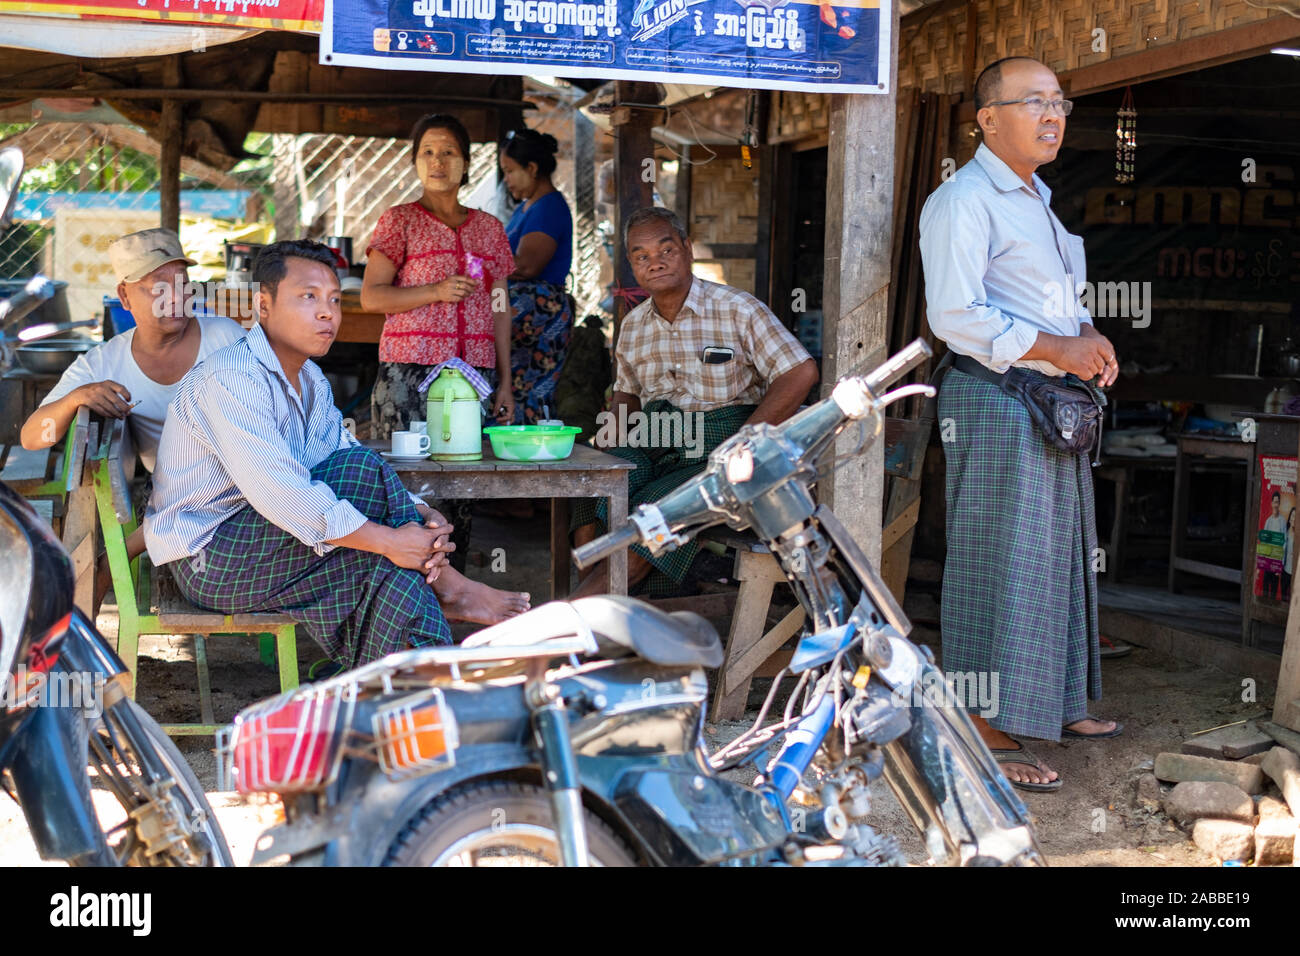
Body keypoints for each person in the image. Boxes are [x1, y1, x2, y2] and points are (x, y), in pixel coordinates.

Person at [144, 240, 529, 671]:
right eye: (308, 297)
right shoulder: (232, 379)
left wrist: (416, 515)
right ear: (263, 305)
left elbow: (340, 451)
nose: (328, 313)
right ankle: (449, 588)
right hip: (211, 557)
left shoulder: (310, 378)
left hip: (265, 539)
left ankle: (412, 683)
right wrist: (390, 539)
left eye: (332, 300)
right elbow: (282, 493)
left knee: (386, 568)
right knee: (372, 512)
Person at [919, 56, 1123, 793]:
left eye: (1060, 103)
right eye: (1033, 101)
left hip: (1044, 400)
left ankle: (1055, 702)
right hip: (994, 396)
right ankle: (979, 719)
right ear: (987, 119)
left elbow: (1049, 306)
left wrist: (1086, 339)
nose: (1053, 115)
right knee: (995, 561)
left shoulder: (1036, 200)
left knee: (1057, 556)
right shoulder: (963, 199)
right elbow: (956, 315)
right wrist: (1057, 348)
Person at [571, 207, 818, 598]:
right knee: (592, 488)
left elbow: (799, 372)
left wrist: (747, 441)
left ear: (687, 249)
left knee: (653, 511)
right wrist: (609, 443)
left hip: (720, 447)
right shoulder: (633, 325)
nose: (655, 262)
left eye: (665, 250)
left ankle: (571, 617)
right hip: (654, 441)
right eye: (641, 256)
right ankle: (605, 607)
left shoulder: (737, 308)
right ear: (632, 266)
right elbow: (627, 395)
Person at [19, 227, 245, 601]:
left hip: (244, 490)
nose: (173, 297)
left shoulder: (228, 340)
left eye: (182, 282)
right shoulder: (105, 362)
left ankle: (124, 554)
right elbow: (32, 437)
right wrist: (74, 398)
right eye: (157, 286)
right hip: (177, 501)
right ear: (124, 295)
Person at [362, 113, 516, 569]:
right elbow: (372, 297)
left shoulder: (489, 229)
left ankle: (453, 592)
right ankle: (399, 596)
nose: (437, 160)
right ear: (414, 162)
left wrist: (506, 381)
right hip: (408, 376)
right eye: (427, 151)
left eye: (448, 151)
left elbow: (500, 307)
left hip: (473, 380)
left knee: (461, 492)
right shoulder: (399, 222)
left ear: (466, 163)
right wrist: (434, 291)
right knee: (406, 490)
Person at [500, 127, 574, 425]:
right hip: (525, 309)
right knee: (515, 389)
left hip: (541, 313)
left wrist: (478, 265)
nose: (506, 180)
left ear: (532, 168)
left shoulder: (549, 207)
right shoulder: (525, 207)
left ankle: (532, 457)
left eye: (510, 171)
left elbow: (527, 265)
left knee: (529, 393)